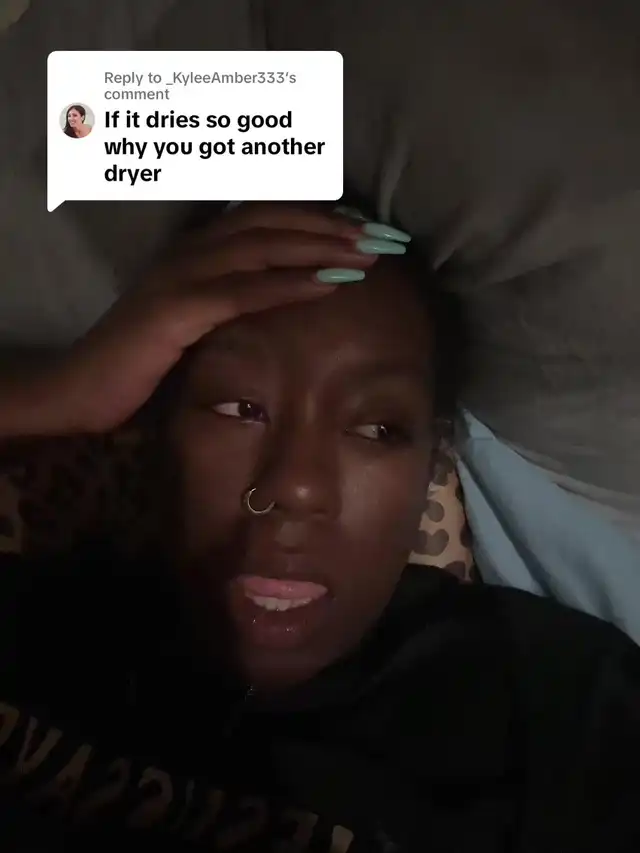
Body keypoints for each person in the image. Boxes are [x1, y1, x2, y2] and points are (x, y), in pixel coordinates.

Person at [0, 203, 638, 853]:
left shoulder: (562, 710)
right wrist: (53, 396)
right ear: (158, 424)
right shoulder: (40, 628)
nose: (296, 486)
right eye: (240, 407)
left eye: (377, 428)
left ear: (432, 463)